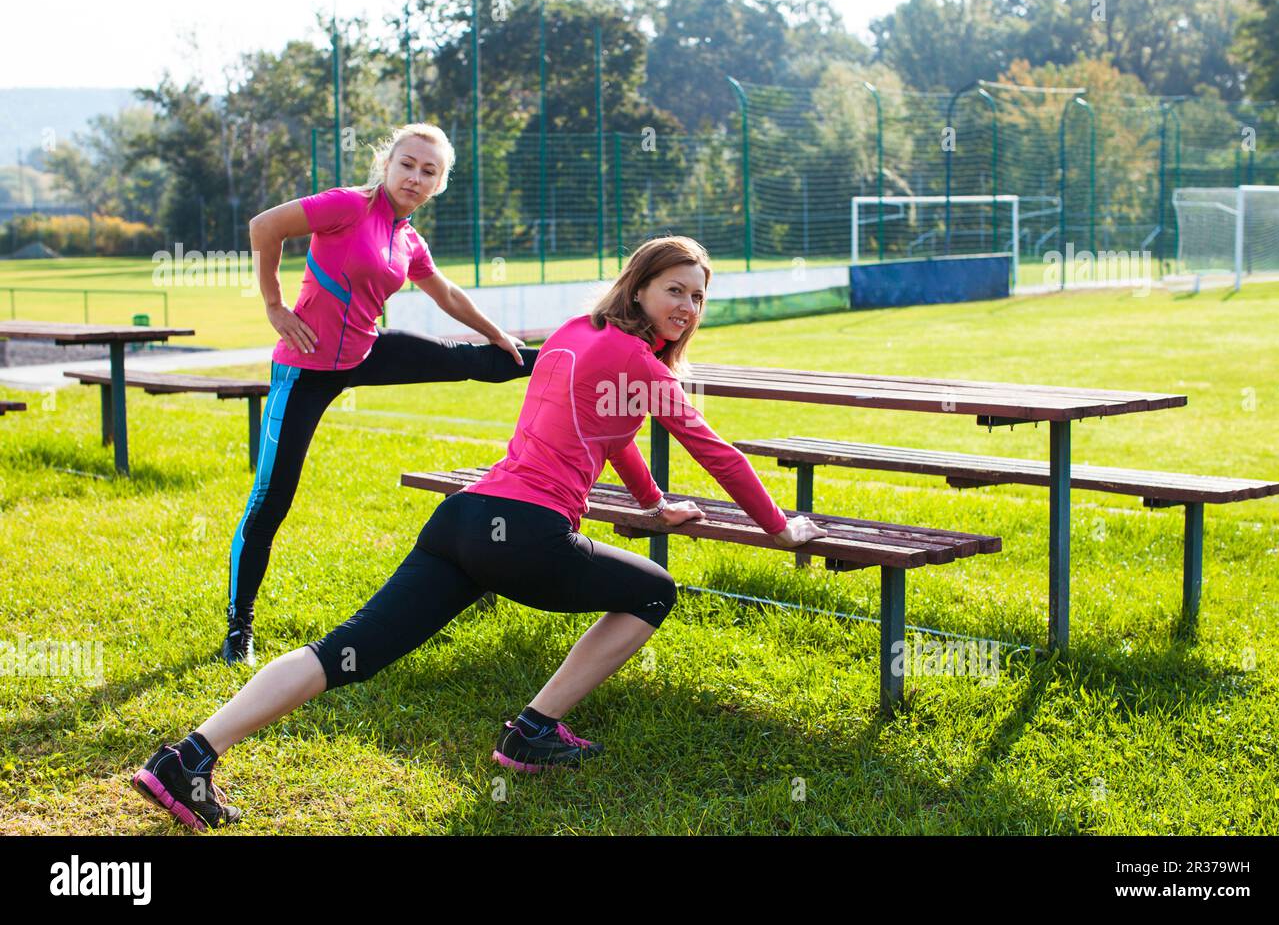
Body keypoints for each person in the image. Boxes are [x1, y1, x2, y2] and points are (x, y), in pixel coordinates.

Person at [131, 235, 826, 830]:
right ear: (639, 286)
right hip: (524, 534)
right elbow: (719, 454)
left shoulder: (573, 335)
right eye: (675, 290)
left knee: (346, 651)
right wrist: (781, 527)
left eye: (699, 298)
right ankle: (532, 733)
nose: (687, 308)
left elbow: (610, 435)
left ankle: (186, 757)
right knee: (653, 592)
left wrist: (652, 504)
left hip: (463, 521)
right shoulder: (640, 364)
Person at [226, 122, 537, 666]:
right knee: (271, 500)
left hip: (366, 353)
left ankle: (568, 361)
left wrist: (495, 331)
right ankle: (239, 628)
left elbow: (444, 290)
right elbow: (263, 227)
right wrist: (274, 306)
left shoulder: (407, 237)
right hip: (305, 369)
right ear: (387, 163)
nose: (416, 177)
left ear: (440, 183)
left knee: (475, 358)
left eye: (429, 171)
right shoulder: (347, 205)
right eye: (408, 164)